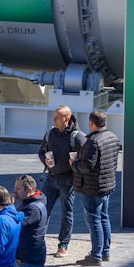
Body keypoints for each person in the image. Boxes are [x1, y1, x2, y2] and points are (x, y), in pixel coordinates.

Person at [71, 110, 122, 266]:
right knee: (104, 218)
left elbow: (87, 166)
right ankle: (105, 251)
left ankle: (96, 255)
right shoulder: (113, 137)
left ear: (91, 123)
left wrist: (74, 164)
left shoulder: (93, 141)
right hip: (107, 184)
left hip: (93, 187)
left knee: (94, 221)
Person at [37, 106, 86, 258]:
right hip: (51, 178)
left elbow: (85, 161)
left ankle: (63, 245)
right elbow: (41, 151)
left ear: (66, 119)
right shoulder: (50, 133)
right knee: (42, 210)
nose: (53, 120)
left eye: (56, 118)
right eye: (53, 117)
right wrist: (45, 162)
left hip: (67, 180)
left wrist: (74, 177)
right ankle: (37, 243)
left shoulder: (78, 137)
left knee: (67, 213)